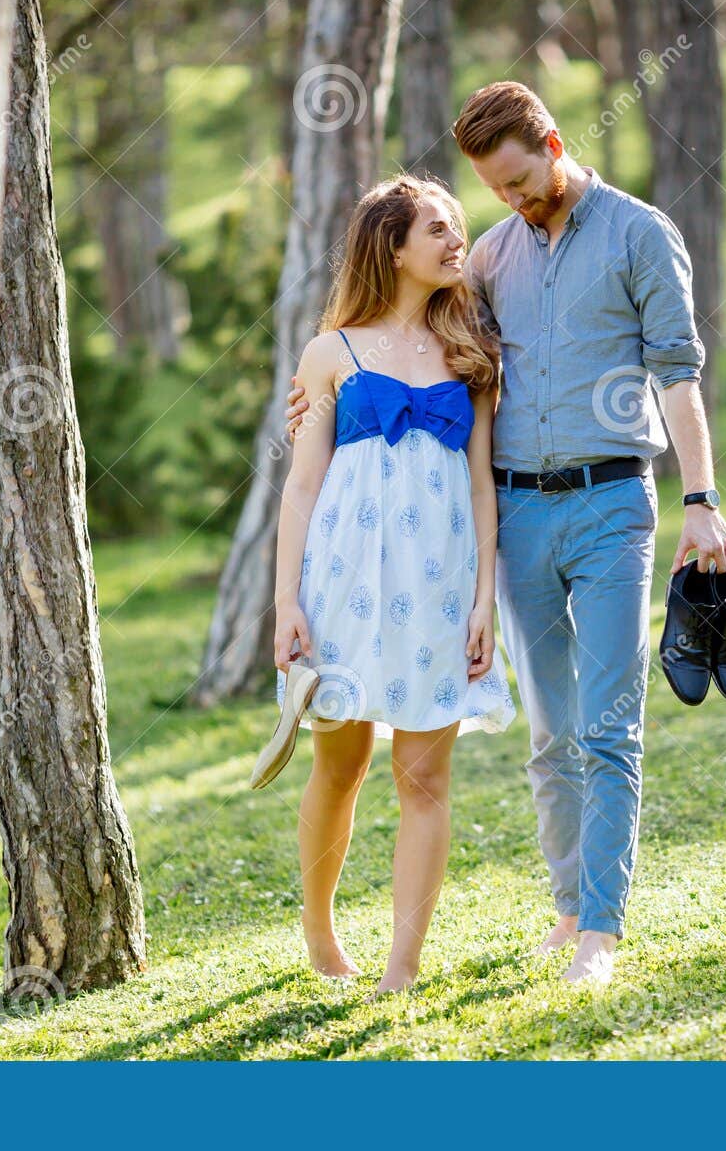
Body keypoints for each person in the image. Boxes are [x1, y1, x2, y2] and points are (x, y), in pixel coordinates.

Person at [286, 82, 726, 985]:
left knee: (607, 725)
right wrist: (325, 393)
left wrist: (702, 497)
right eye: (494, 190)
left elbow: (678, 374)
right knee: (549, 735)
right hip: (518, 514)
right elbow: (406, 336)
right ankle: (568, 909)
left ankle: (600, 931)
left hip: (612, 503)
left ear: (555, 145)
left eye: (521, 182)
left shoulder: (640, 234)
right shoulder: (489, 258)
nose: (511, 201)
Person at [259, 175, 517, 996]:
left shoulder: (472, 352)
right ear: (392, 246)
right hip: (341, 582)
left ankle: (402, 966)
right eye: (436, 229)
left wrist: (483, 600)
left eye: (456, 227)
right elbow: (302, 485)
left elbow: (482, 485)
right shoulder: (331, 353)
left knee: (424, 776)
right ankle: (321, 933)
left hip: (438, 583)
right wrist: (286, 600)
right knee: (340, 765)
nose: (454, 241)